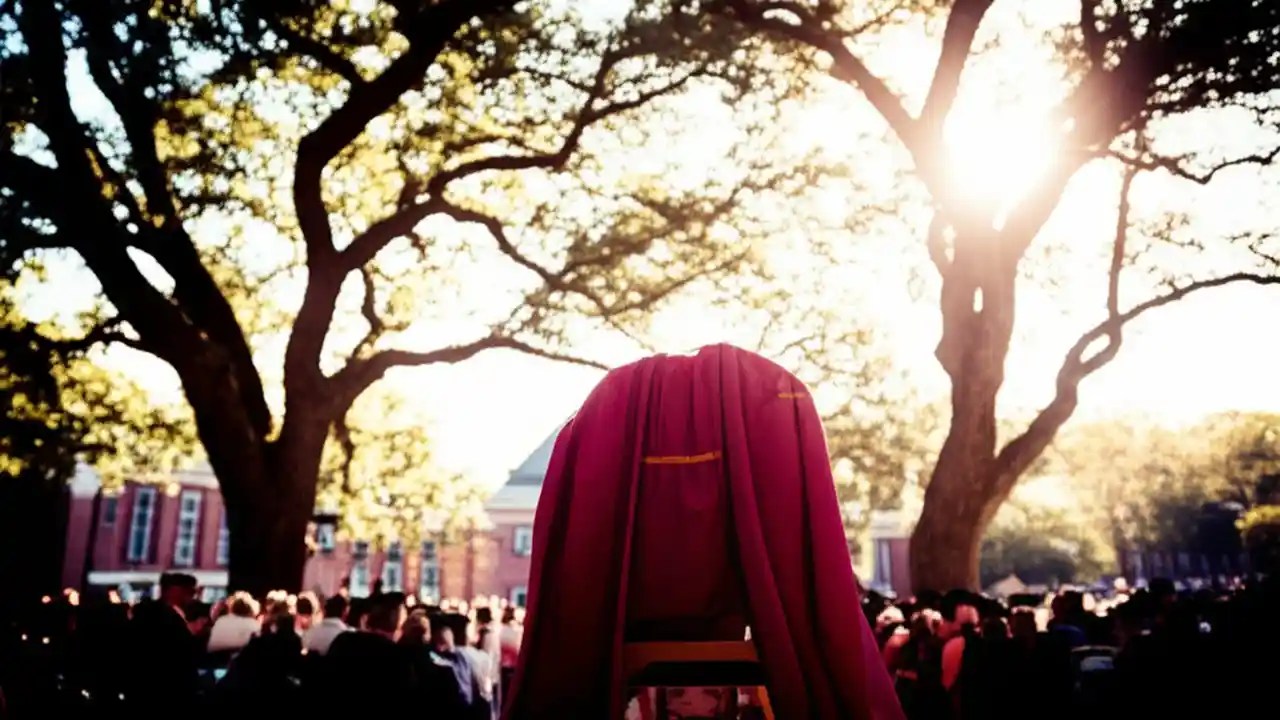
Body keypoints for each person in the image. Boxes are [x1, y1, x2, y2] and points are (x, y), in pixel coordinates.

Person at [126, 572, 201, 711]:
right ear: (174, 590)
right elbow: (176, 650)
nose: (193, 595)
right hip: (167, 689)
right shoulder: (162, 616)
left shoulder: (148, 611)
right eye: (189, 590)